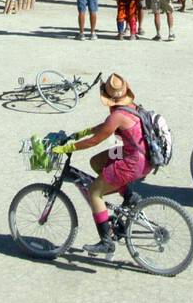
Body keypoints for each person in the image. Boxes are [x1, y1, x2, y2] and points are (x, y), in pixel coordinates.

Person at [50, 73, 149, 256]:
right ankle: (129, 196)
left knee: (94, 192)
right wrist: (81, 133)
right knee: (96, 162)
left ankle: (106, 241)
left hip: (133, 161)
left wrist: (68, 148)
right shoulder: (130, 107)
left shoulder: (117, 115)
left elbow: (94, 141)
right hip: (140, 154)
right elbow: (104, 128)